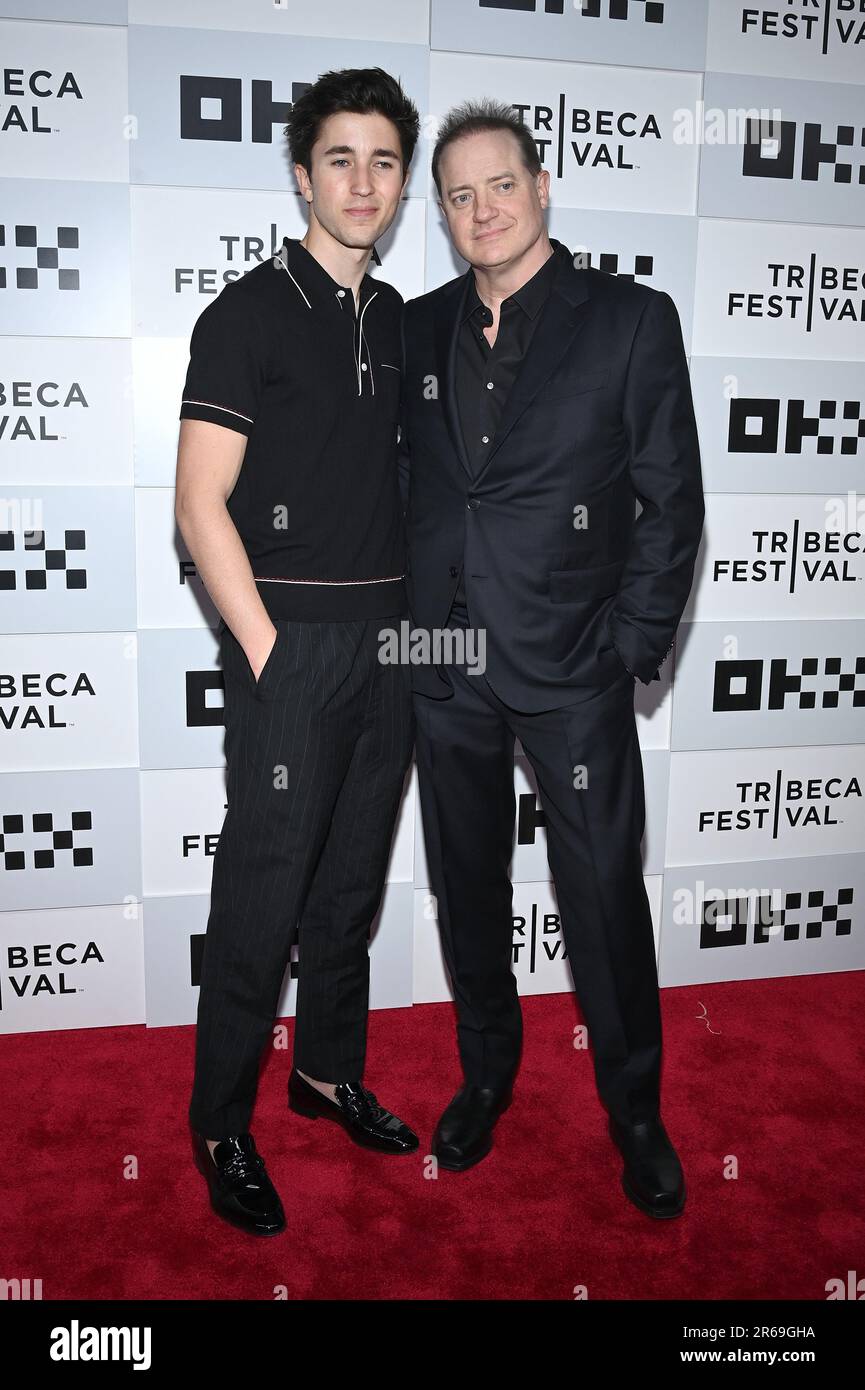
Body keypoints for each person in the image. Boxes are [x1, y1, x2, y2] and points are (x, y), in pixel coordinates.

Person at [398, 100, 705, 1218]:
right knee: (467, 886)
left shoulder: (628, 320)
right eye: (459, 195)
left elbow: (671, 499)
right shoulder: (414, 325)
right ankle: (487, 1072)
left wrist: (628, 648)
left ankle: (634, 1109)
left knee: (599, 896)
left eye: (500, 185)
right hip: (442, 663)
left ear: (542, 187)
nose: (482, 210)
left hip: (571, 666)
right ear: (441, 212)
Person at [175, 67, 420, 1237]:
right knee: (259, 900)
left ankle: (323, 1074)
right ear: (300, 175)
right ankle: (221, 1119)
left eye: (382, 161)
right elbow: (199, 506)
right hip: (292, 651)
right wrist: (273, 654)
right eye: (340, 159)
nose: (361, 181)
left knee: (348, 891)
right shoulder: (244, 316)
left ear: (403, 182)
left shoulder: (408, 324)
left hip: (394, 649)